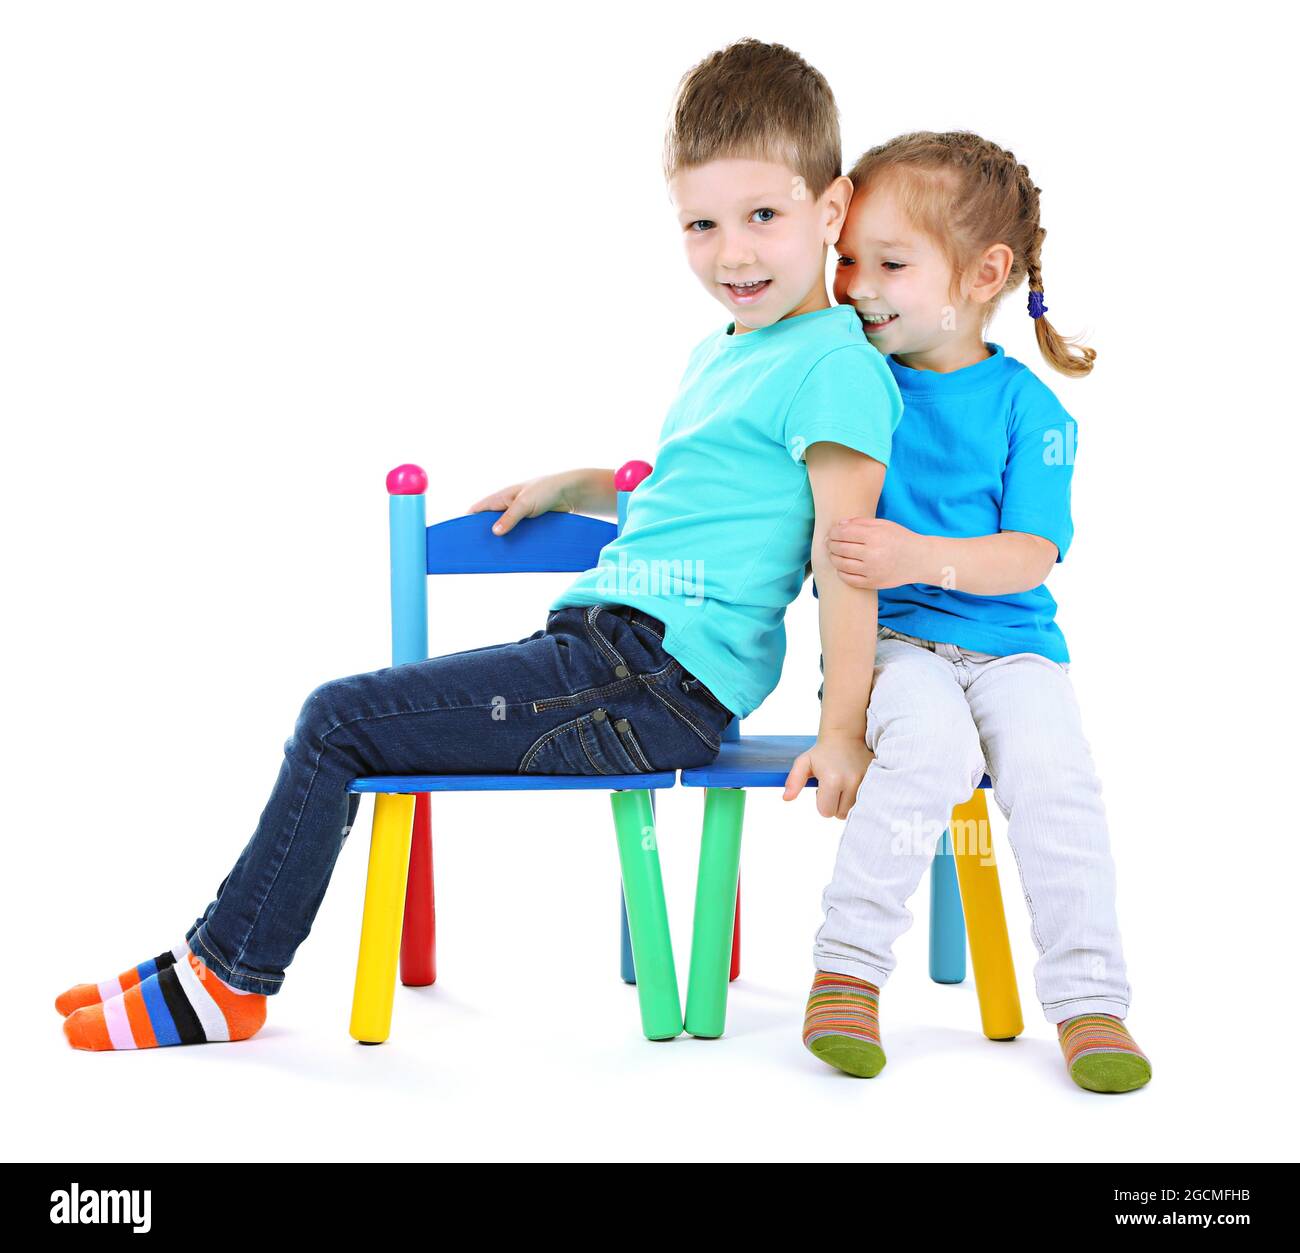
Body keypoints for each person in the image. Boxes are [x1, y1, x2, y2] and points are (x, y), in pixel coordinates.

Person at [55, 38, 902, 1052]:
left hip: (650, 683)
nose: (733, 254)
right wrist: (584, 484)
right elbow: (709, 492)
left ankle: (225, 975)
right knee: (344, 715)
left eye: (763, 216)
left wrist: (842, 723)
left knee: (336, 718)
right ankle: (207, 955)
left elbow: (847, 558)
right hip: (609, 658)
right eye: (701, 224)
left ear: (831, 210)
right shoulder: (730, 349)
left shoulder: (835, 369)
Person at [801, 131, 1150, 1093]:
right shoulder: (848, 380)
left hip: (1011, 649)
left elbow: (1030, 554)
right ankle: (848, 970)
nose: (857, 282)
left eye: (890, 262)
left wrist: (921, 555)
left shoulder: (1029, 409)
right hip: (893, 645)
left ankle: (1090, 1001)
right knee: (932, 752)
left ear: (984, 272)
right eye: (847, 259)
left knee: (1056, 779)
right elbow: (735, 475)